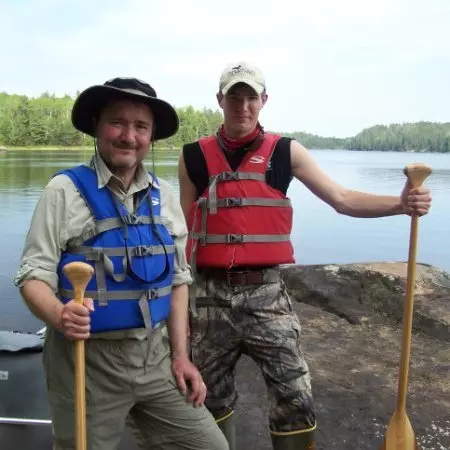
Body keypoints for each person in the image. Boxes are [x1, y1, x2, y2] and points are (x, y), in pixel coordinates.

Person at [178, 62, 432, 450]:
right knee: (207, 397)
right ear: (220, 101)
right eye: (234, 97)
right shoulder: (193, 157)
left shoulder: (285, 151)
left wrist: (400, 204)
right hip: (208, 297)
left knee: (295, 396)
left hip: (266, 295)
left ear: (263, 101)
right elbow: (184, 235)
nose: (242, 106)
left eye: (251, 97)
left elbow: (343, 199)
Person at [14, 77, 229, 450]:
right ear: (97, 126)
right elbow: (32, 276)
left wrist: (181, 358)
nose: (129, 136)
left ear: (151, 136)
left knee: (209, 446)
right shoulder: (63, 192)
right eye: (118, 122)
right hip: (88, 362)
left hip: (154, 357)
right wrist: (60, 314)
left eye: (141, 126)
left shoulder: (164, 197)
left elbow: (178, 281)